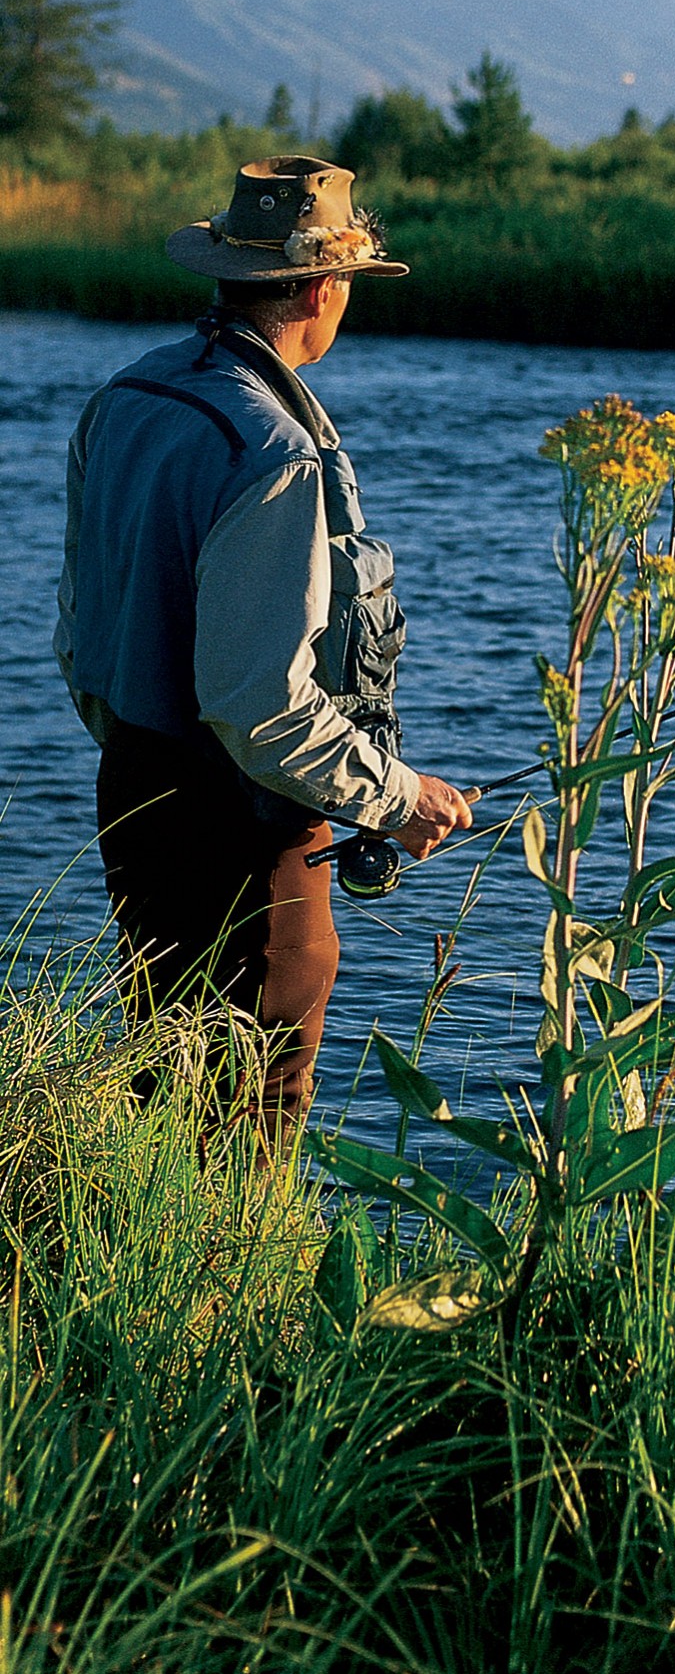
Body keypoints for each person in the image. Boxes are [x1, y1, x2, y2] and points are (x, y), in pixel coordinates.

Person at [54, 156, 472, 1149]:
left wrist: (142, 757)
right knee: (252, 1114)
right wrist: (397, 795)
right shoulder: (272, 452)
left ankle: (146, 1287)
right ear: (323, 292)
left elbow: (79, 635)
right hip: (243, 829)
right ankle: (234, 1299)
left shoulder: (124, 399)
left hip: (135, 794)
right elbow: (260, 706)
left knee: (169, 1089)